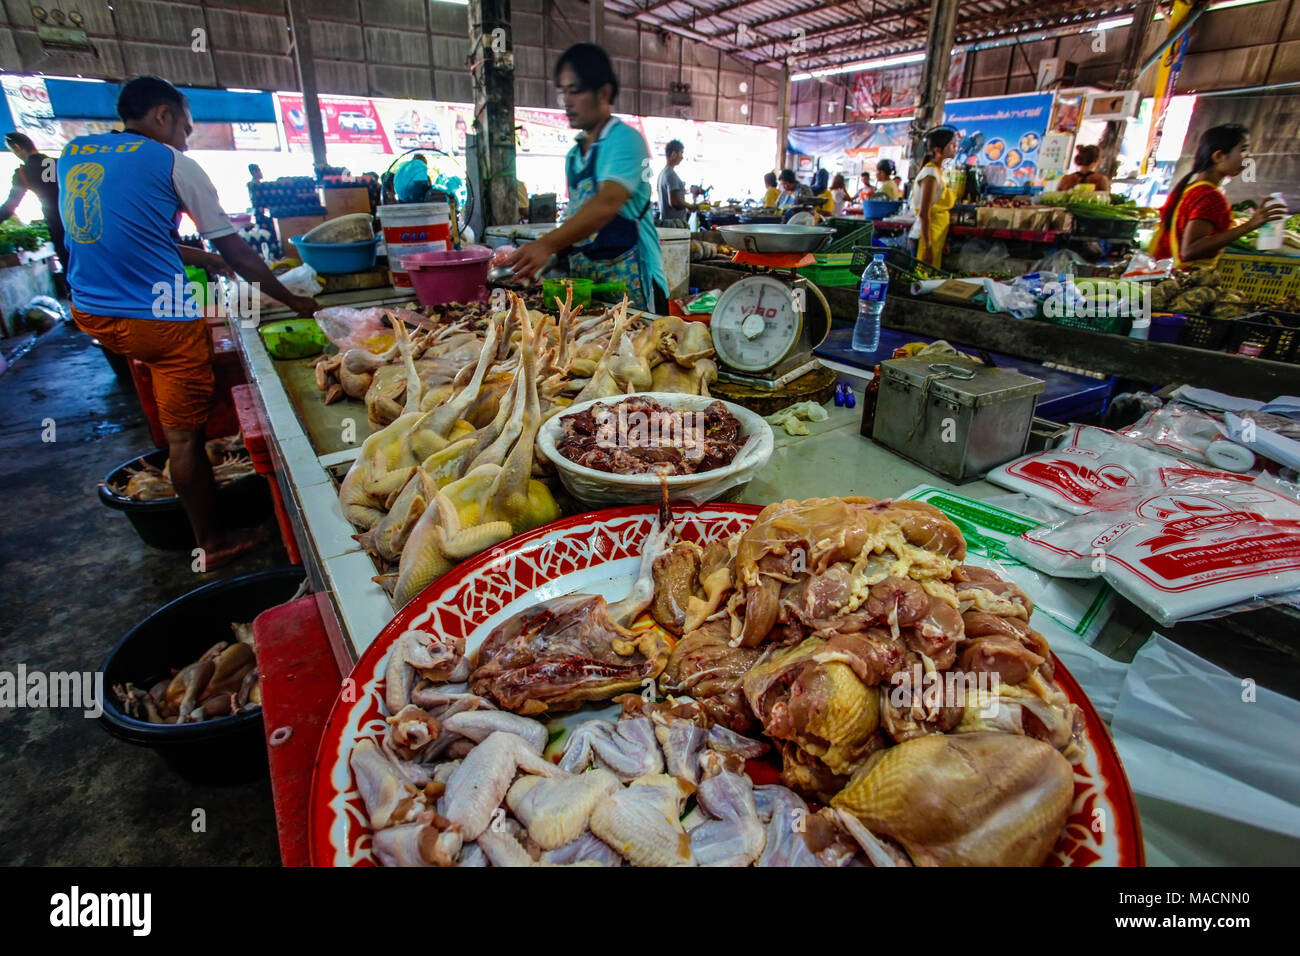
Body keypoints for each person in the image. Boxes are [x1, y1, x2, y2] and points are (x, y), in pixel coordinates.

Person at [61, 75, 318, 569]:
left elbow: (113, 230)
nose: (187, 136)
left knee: (172, 410)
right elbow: (238, 249)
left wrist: (194, 256)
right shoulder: (175, 163)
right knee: (183, 438)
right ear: (164, 115)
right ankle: (213, 542)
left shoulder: (78, 152)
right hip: (156, 319)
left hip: (91, 310)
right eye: (186, 125)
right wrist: (290, 299)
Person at [509, 44, 667, 313]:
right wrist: (551, 259)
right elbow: (579, 219)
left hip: (634, 288)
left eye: (576, 90)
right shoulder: (574, 156)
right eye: (563, 92)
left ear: (603, 92)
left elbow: (607, 204)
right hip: (590, 289)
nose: (567, 102)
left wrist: (547, 244)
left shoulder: (627, 140)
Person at [1150, 124, 1285, 267]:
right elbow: (1190, 250)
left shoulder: (1190, 189)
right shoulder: (1210, 196)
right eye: (1243, 150)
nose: (1248, 157)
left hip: (1165, 273)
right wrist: (1249, 226)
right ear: (1219, 156)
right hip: (1185, 278)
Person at [1, 132, 68, 279]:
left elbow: (10, 205)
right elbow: (54, 187)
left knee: (71, 269)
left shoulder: (23, 172)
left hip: (57, 225)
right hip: (77, 219)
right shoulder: (53, 163)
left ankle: (79, 298)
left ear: (17, 147)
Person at [908, 126, 958, 267]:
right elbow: (925, 213)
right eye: (952, 145)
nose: (955, 148)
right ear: (938, 150)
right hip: (925, 237)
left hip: (935, 234)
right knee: (921, 279)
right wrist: (928, 247)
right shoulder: (930, 174)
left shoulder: (938, 172)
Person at [657, 139, 695, 226]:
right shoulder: (670, 174)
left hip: (667, 223)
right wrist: (690, 206)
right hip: (674, 225)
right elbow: (674, 202)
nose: (682, 157)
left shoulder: (663, 173)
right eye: (681, 153)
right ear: (674, 154)